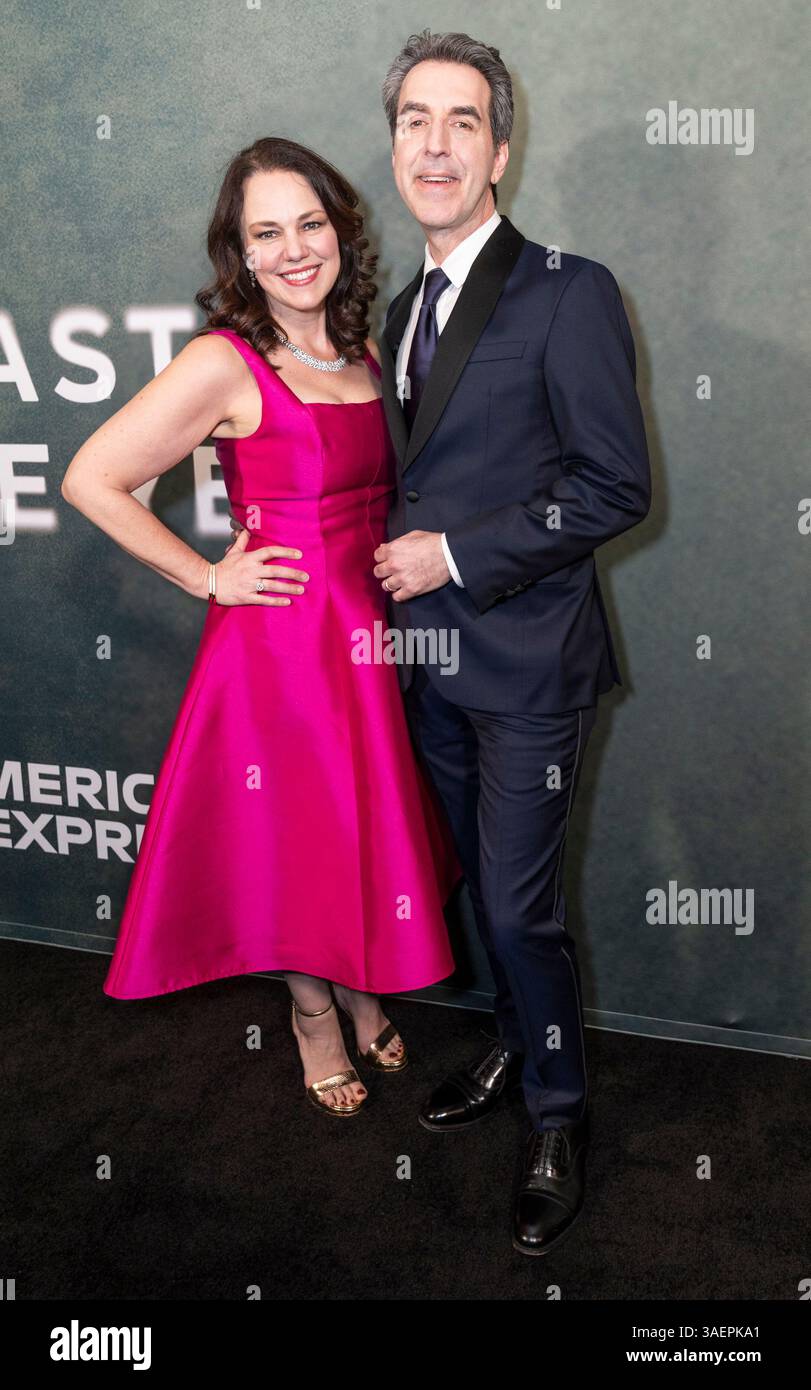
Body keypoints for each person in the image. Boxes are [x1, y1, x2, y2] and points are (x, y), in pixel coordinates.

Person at [61, 136, 462, 1119]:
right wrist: (206, 575)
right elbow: (90, 479)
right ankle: (313, 1013)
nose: (293, 250)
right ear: (239, 253)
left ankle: (361, 983)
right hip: (279, 652)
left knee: (352, 829)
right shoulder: (222, 360)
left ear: (341, 230)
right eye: (265, 232)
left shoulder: (366, 347)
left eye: (310, 224)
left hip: (372, 646)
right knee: (292, 837)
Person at [374, 30, 651, 1253]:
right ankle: (509, 1033)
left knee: (524, 904)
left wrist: (456, 554)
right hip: (426, 665)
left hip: (529, 663)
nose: (435, 144)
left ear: (501, 147)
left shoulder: (568, 288)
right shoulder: (399, 304)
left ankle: (556, 1108)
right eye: (415, 121)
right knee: (482, 884)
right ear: (394, 145)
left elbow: (611, 485)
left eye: (461, 122)